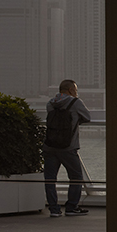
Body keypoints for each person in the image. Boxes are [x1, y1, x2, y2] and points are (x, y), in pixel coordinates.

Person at [44, 79, 92, 217]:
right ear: (71, 90)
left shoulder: (50, 103)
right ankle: (71, 207)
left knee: (50, 178)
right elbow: (87, 117)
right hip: (68, 147)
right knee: (76, 177)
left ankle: (54, 209)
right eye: (75, 89)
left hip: (50, 146)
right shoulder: (75, 103)